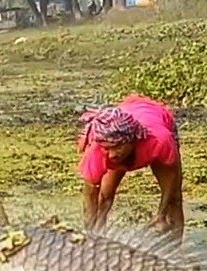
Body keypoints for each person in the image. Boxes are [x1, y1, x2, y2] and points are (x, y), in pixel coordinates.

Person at [78, 94, 185, 240]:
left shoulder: (159, 141)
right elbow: (90, 196)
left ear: (130, 141)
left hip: (155, 115)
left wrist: (161, 213)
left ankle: (175, 254)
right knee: (104, 199)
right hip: (127, 111)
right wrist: (89, 236)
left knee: (175, 200)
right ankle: (97, 241)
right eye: (107, 149)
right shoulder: (97, 150)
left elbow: (172, 179)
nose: (111, 155)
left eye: (117, 147)